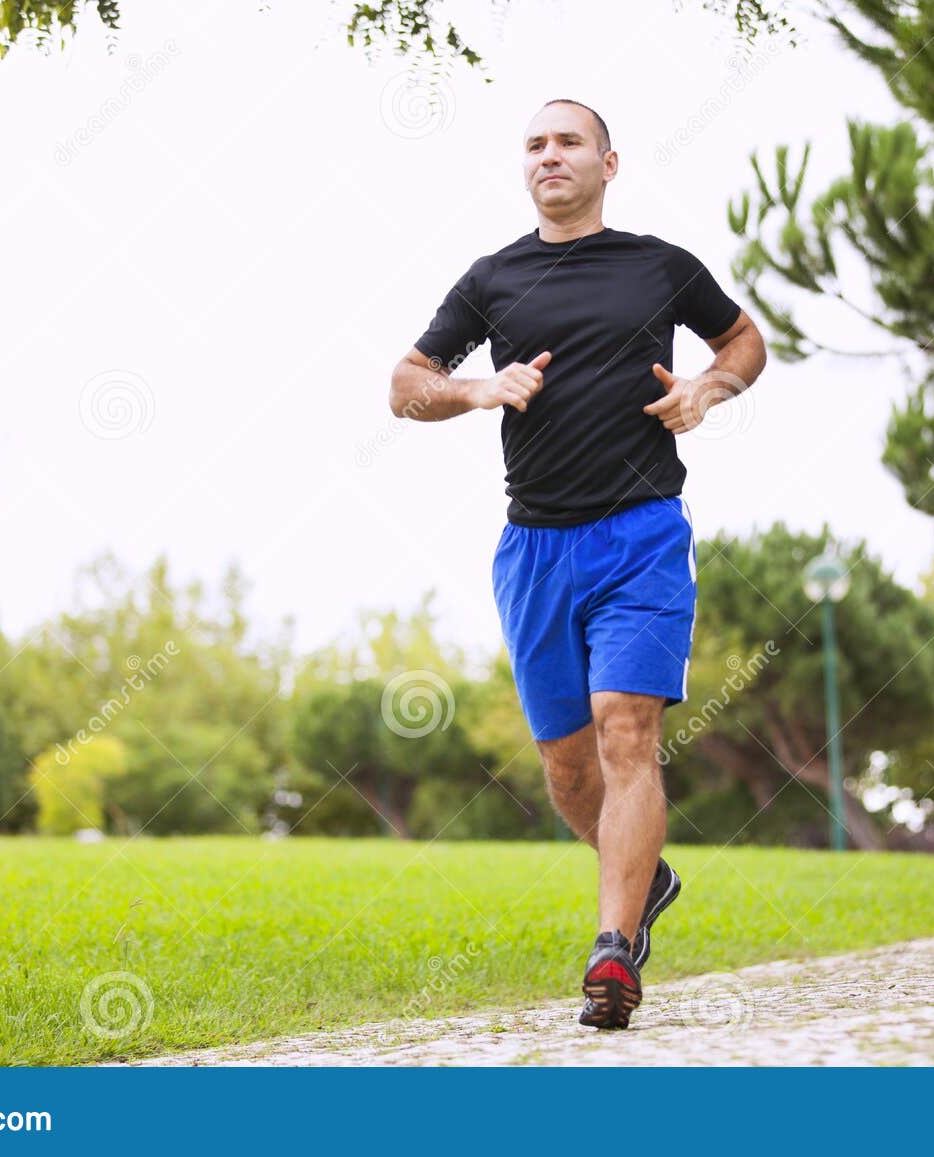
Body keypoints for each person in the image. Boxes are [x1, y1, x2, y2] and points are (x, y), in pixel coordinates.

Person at [387, 98, 766, 1029]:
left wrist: (708, 389)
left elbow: (744, 341)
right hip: (534, 548)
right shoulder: (492, 278)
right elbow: (404, 385)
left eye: (567, 142)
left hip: (641, 533)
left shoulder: (661, 266)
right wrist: (478, 387)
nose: (549, 155)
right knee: (566, 771)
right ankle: (647, 881)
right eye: (534, 144)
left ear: (609, 162)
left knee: (626, 732)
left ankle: (614, 949)